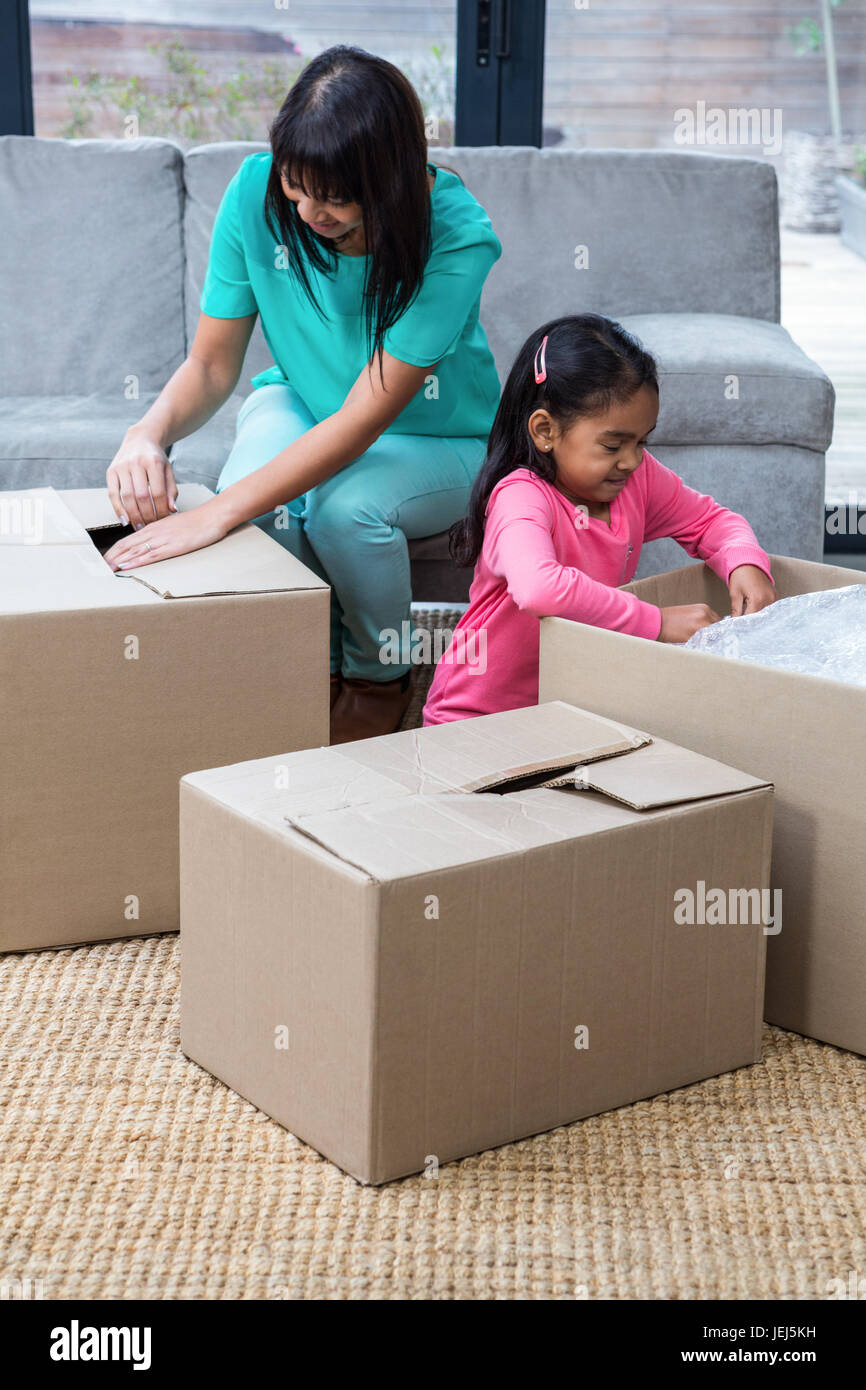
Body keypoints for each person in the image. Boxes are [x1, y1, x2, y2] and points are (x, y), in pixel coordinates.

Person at [103, 46, 502, 742]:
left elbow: (358, 423)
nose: (310, 210)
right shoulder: (255, 195)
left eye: (337, 197)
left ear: (392, 179)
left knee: (344, 510)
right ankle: (309, 668)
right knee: (262, 503)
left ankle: (382, 673)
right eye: (298, 185)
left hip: (441, 435)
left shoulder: (456, 235)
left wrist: (215, 514)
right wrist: (148, 434)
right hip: (303, 399)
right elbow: (210, 366)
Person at [423, 314, 776, 725]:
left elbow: (711, 521)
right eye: (612, 444)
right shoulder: (520, 496)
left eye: (642, 440)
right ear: (545, 431)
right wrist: (656, 622)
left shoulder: (636, 478)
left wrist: (744, 561)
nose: (630, 460)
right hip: (475, 715)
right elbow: (540, 589)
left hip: (570, 705)